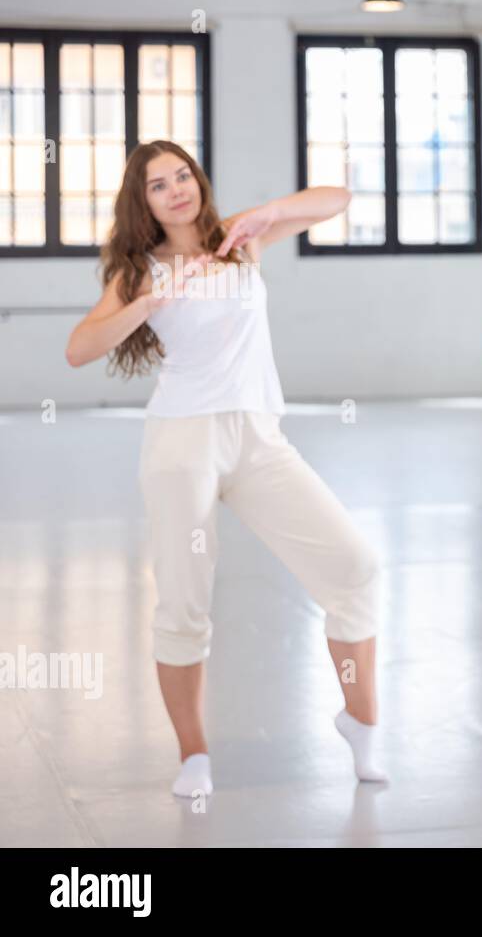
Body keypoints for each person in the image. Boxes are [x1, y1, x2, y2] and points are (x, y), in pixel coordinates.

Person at [65, 140, 386, 797]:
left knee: (354, 569)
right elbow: (79, 349)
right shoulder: (138, 271)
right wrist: (151, 302)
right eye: (158, 184)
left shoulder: (241, 238)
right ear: (143, 202)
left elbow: (338, 200)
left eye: (182, 174)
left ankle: (362, 722)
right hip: (182, 445)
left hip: (259, 439)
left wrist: (264, 215)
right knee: (183, 604)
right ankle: (193, 756)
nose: (176, 189)